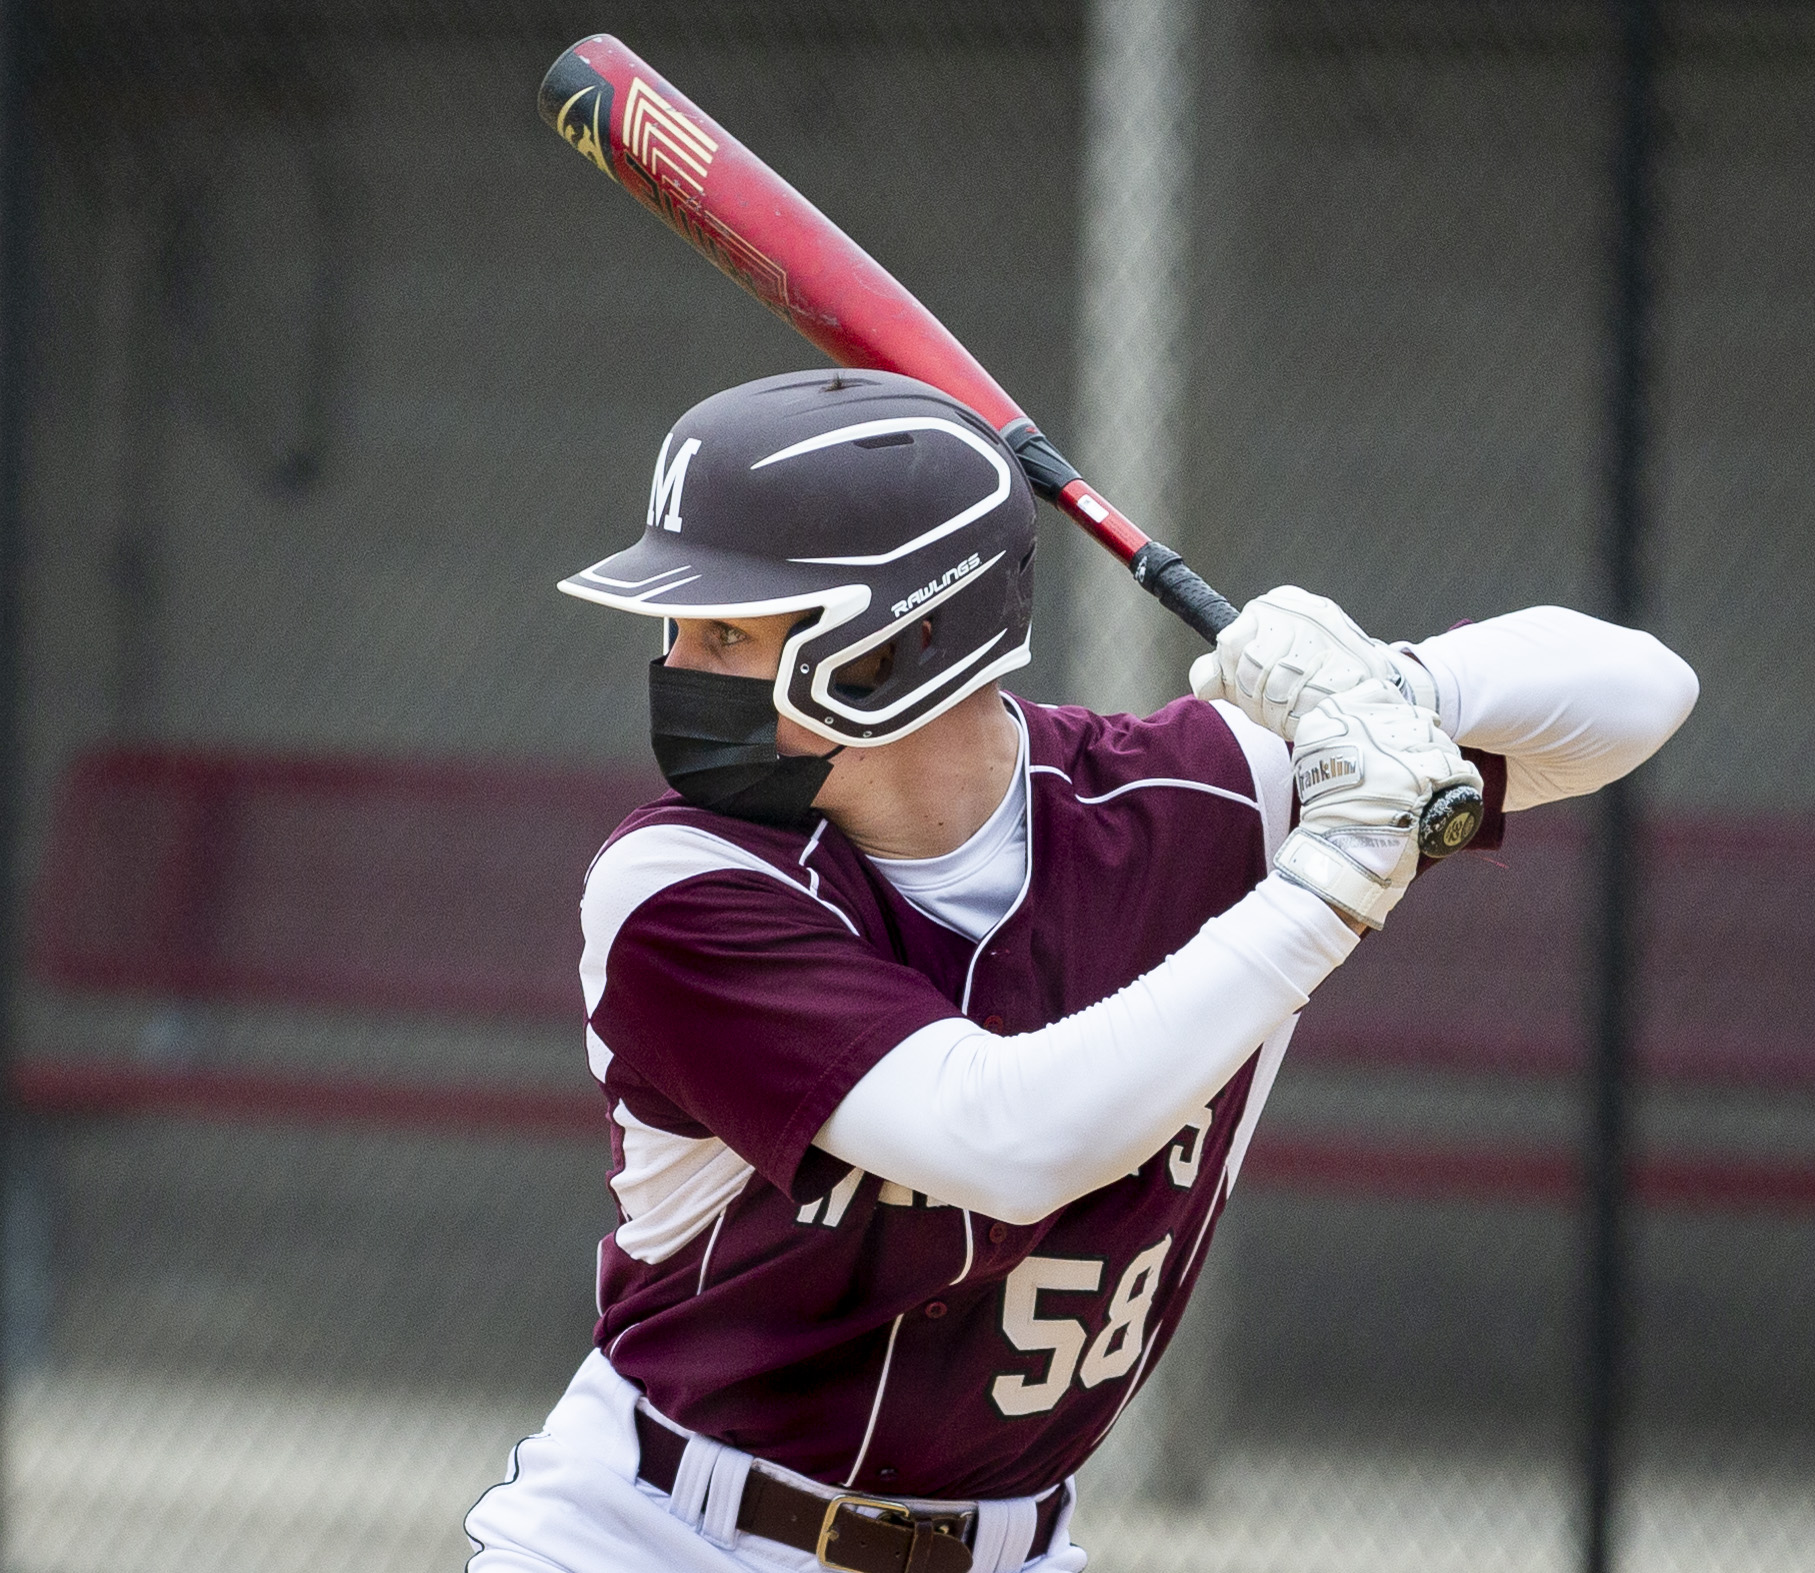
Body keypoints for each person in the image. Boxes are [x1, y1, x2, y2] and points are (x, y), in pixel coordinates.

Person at [466, 370, 1696, 1573]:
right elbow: (1007, 1137)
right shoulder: (679, 888)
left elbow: (1641, 689)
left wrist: (1393, 689)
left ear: (898, 645)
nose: (680, 666)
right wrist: (1327, 885)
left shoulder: (1188, 802)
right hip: (662, 1532)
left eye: (726, 629)